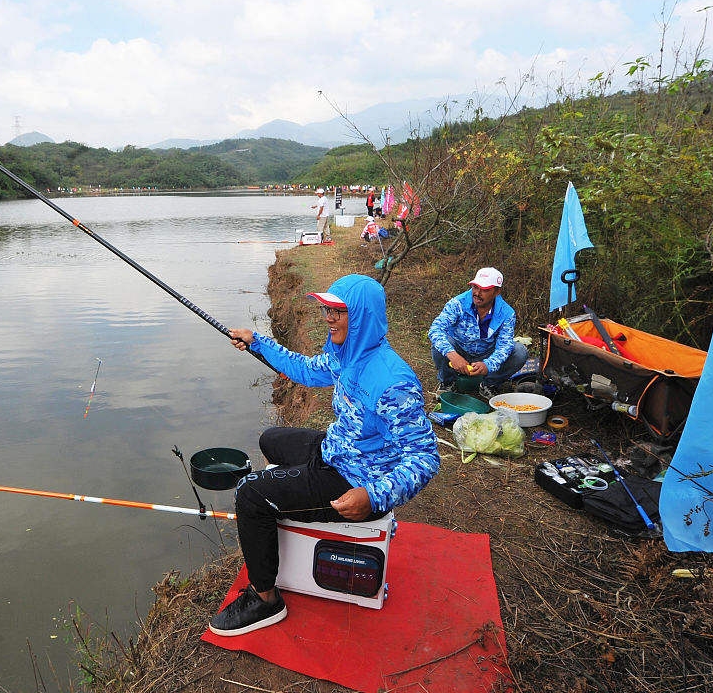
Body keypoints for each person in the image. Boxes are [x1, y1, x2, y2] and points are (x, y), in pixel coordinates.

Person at [212, 274, 440, 636]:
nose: (327, 317)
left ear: (362, 316)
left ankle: (265, 599)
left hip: (355, 478)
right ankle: (289, 498)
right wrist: (258, 343)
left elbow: (426, 456)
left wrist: (374, 495)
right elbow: (307, 370)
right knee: (271, 439)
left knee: (249, 493)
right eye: (326, 309)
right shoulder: (346, 352)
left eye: (338, 311)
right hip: (337, 448)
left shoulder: (393, 382)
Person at [428, 267, 528, 399]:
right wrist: (452, 355)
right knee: (440, 342)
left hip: (486, 353)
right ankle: (447, 381)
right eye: (475, 287)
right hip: (459, 349)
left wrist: (488, 364)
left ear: (497, 291)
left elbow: (505, 345)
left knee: (520, 351)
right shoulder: (458, 303)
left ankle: (489, 384)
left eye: (485, 290)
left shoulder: (507, 313)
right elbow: (435, 328)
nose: (477, 293)